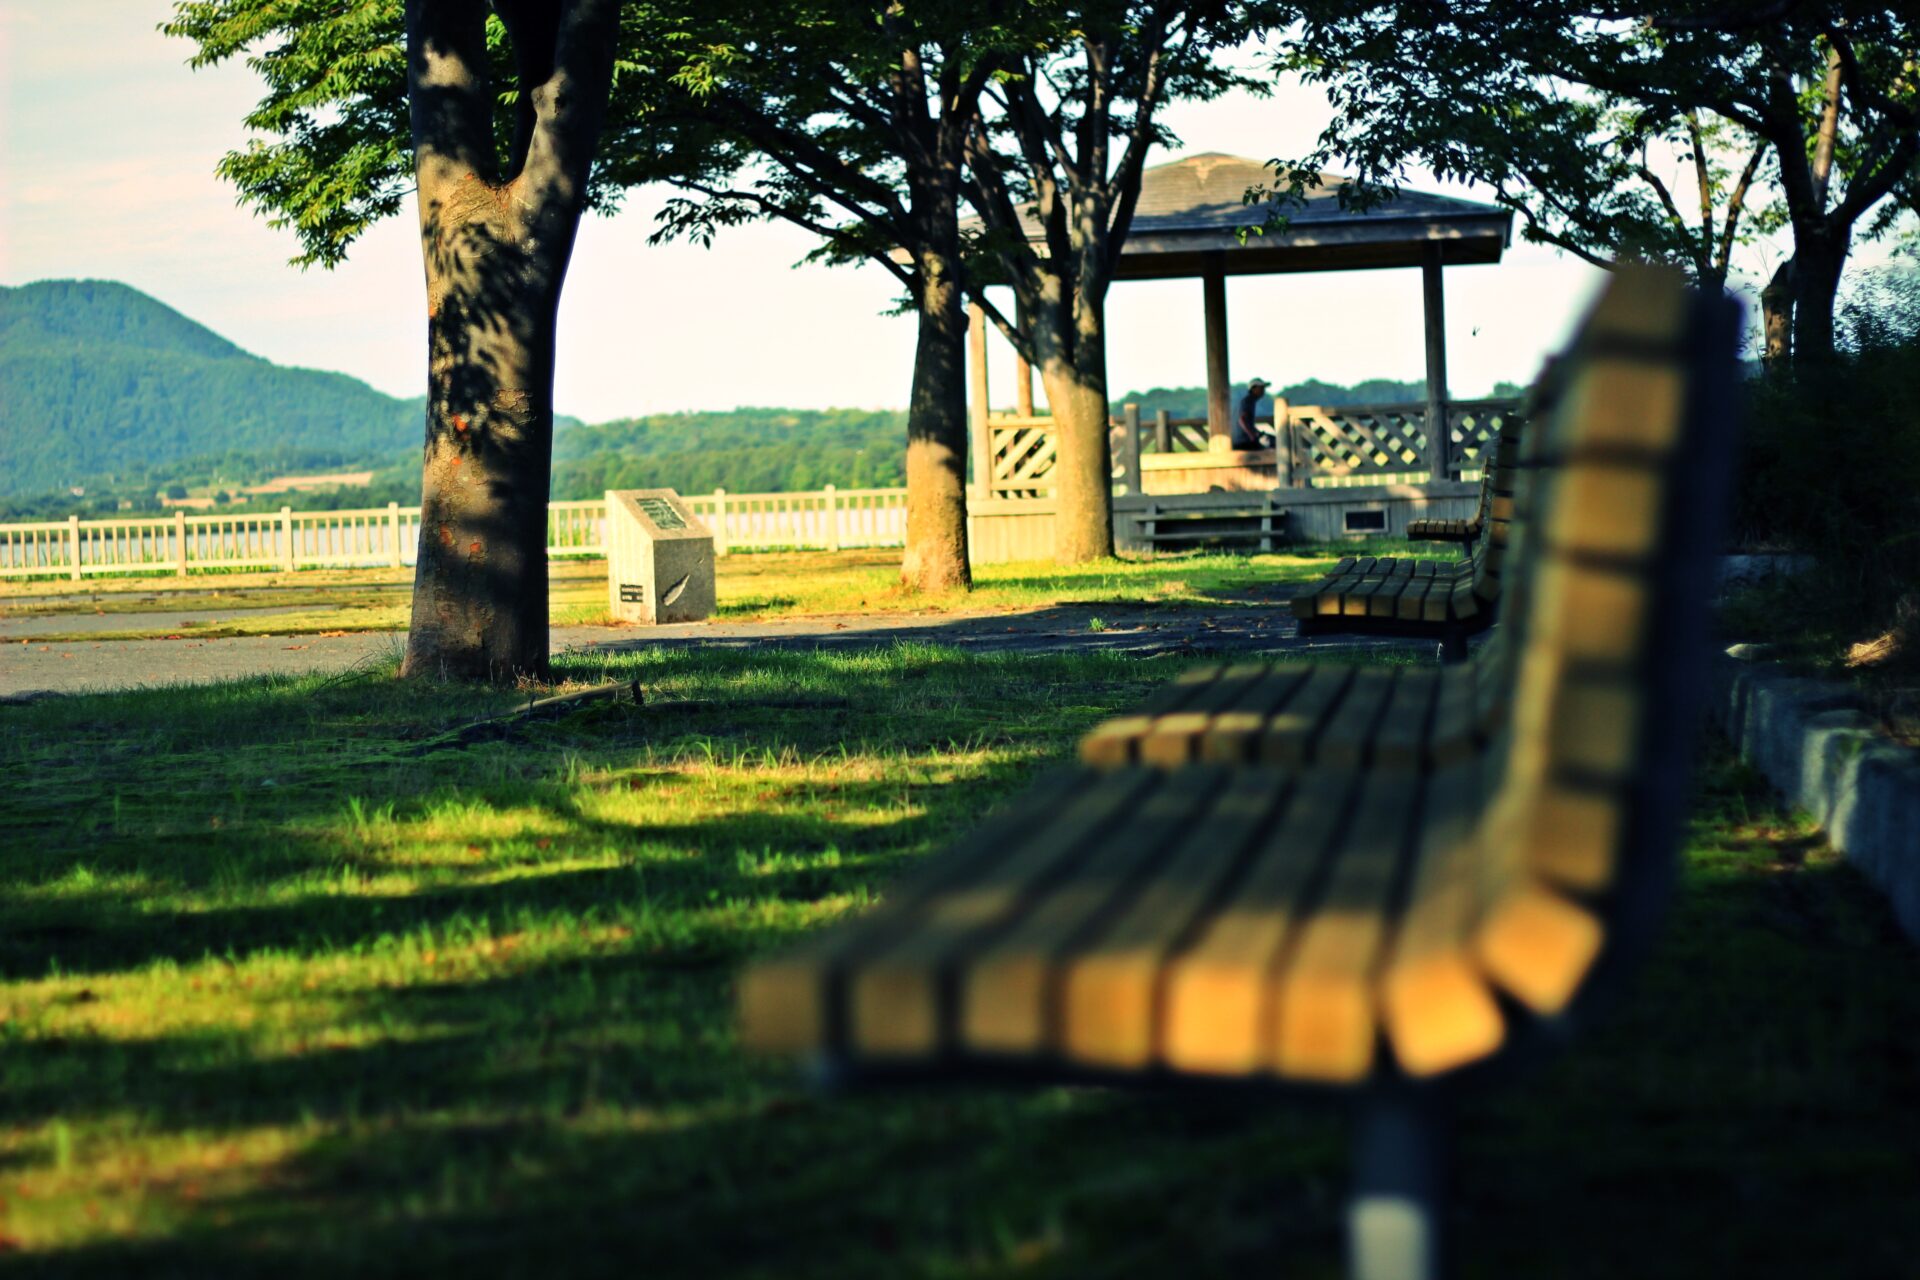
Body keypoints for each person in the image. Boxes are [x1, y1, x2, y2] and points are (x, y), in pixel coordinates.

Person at [1232, 377, 1271, 449]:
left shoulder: (1249, 401)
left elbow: (1247, 422)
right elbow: (1242, 420)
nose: (1263, 390)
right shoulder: (1247, 401)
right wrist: (1251, 435)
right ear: (1253, 389)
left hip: (1242, 440)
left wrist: (1257, 432)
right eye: (1261, 388)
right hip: (1242, 442)